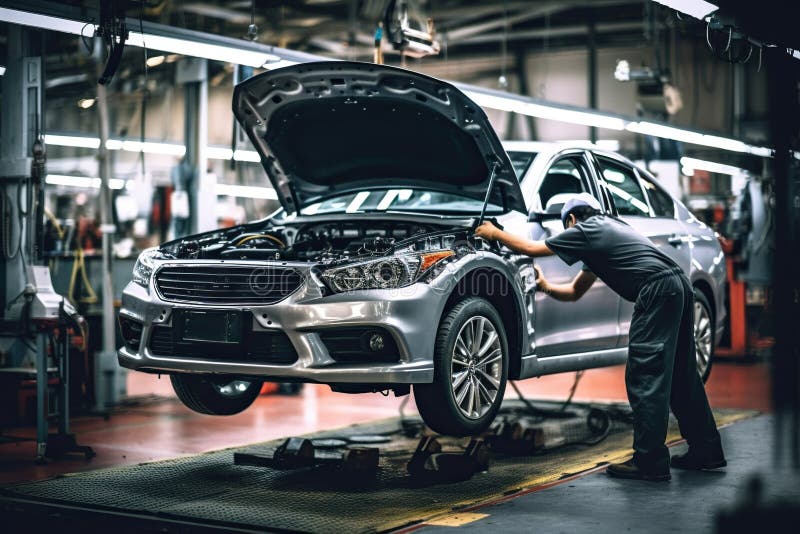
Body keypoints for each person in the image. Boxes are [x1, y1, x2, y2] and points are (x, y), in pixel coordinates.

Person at [475, 192, 726, 481]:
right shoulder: (610, 231)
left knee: (646, 376)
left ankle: (649, 461)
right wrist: (545, 286)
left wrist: (494, 232)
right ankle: (706, 450)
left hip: (656, 290)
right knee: (683, 376)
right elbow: (574, 292)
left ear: (571, 219)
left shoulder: (587, 229)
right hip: (677, 285)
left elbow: (532, 248)